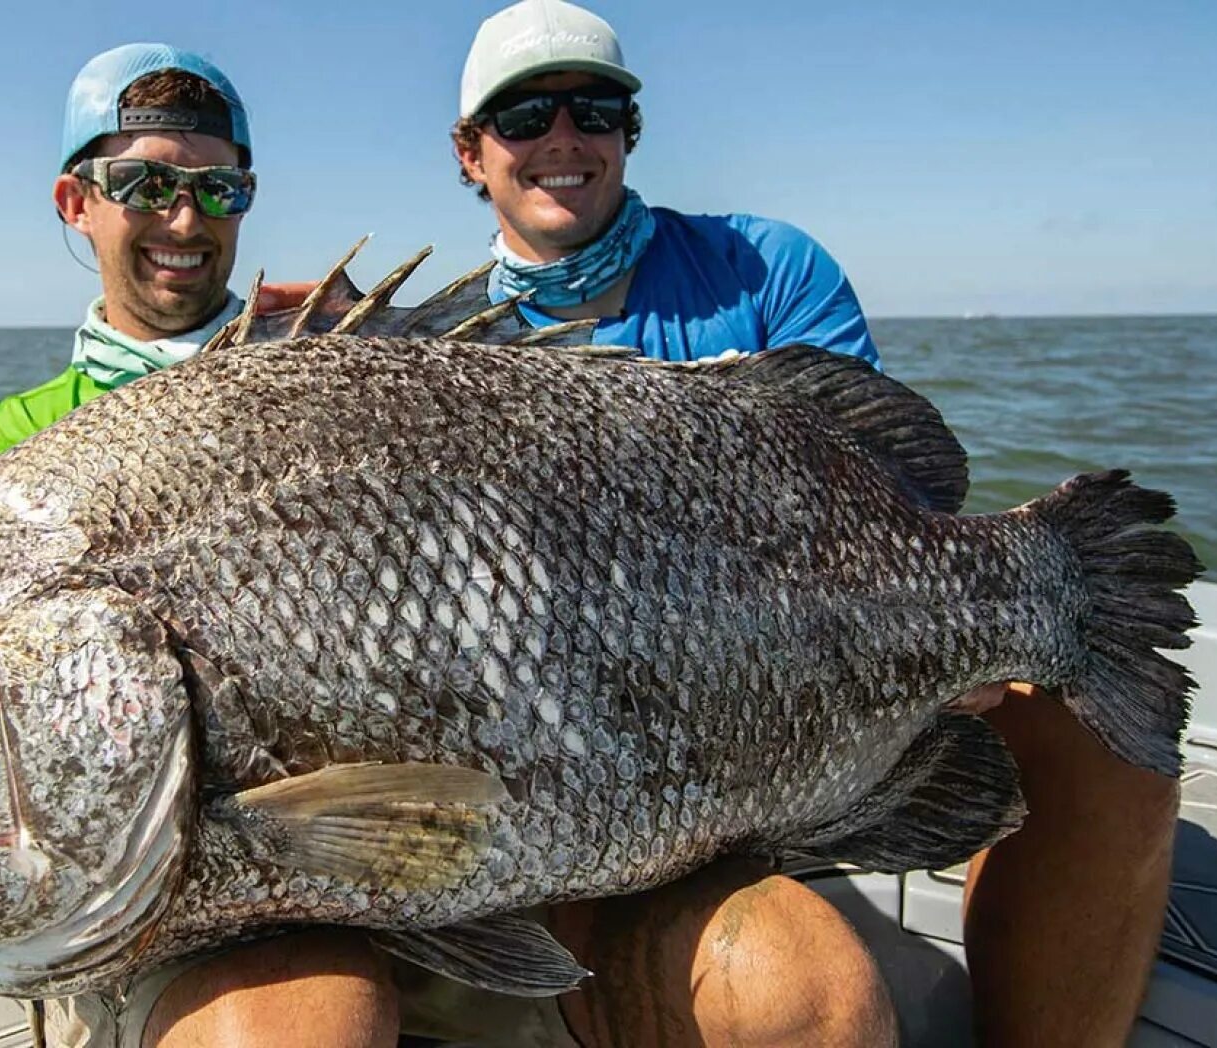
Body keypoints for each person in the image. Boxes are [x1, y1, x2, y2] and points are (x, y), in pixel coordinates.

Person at [448, 3, 1179, 1046]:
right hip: (608, 766)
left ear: (627, 131)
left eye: (593, 109)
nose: (562, 137)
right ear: (471, 152)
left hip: (824, 700)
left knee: (1104, 740)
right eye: (523, 116)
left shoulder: (764, 269)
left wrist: (937, 633)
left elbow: (886, 490)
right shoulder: (445, 355)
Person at [0, 43, 296, 486]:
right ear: (77, 203)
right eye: (146, 184)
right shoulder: (12, 442)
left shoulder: (315, 371)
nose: (185, 222)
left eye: (220, 188)